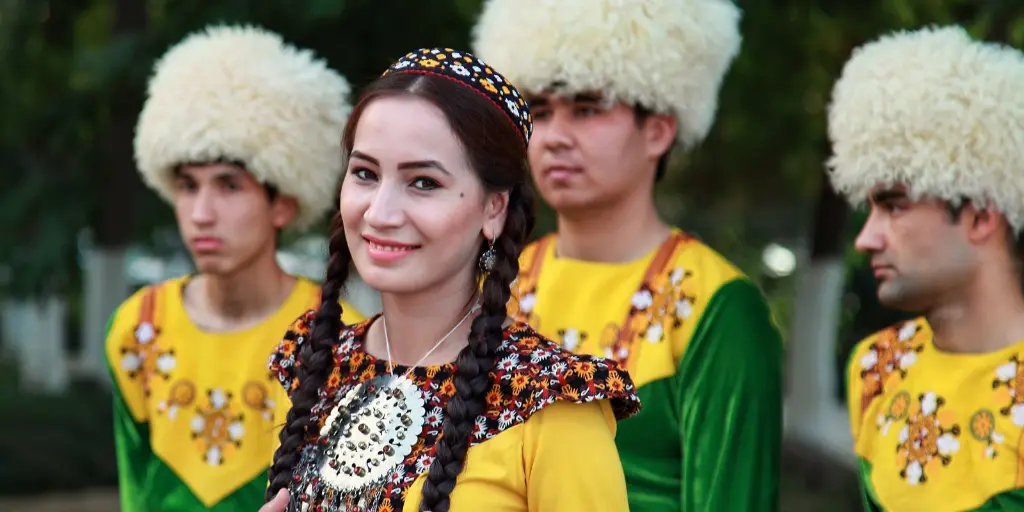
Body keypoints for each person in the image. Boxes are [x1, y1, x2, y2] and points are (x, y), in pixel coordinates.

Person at [261, 47, 642, 512]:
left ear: (493, 208)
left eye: (423, 182)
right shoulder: (318, 365)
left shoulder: (551, 402)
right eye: (364, 173)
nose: (379, 213)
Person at [471, 1, 783, 510]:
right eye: (540, 111)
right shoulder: (495, 282)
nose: (553, 137)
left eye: (587, 109)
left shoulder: (720, 306)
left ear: (658, 129)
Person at [104, 24, 365, 511]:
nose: (202, 212)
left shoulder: (338, 336)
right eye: (187, 185)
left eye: (228, 185)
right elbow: (134, 490)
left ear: (282, 204)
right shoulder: (137, 328)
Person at [832, 25, 1024, 512]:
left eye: (894, 207)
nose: (866, 238)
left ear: (981, 215)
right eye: (869, 208)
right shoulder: (876, 368)